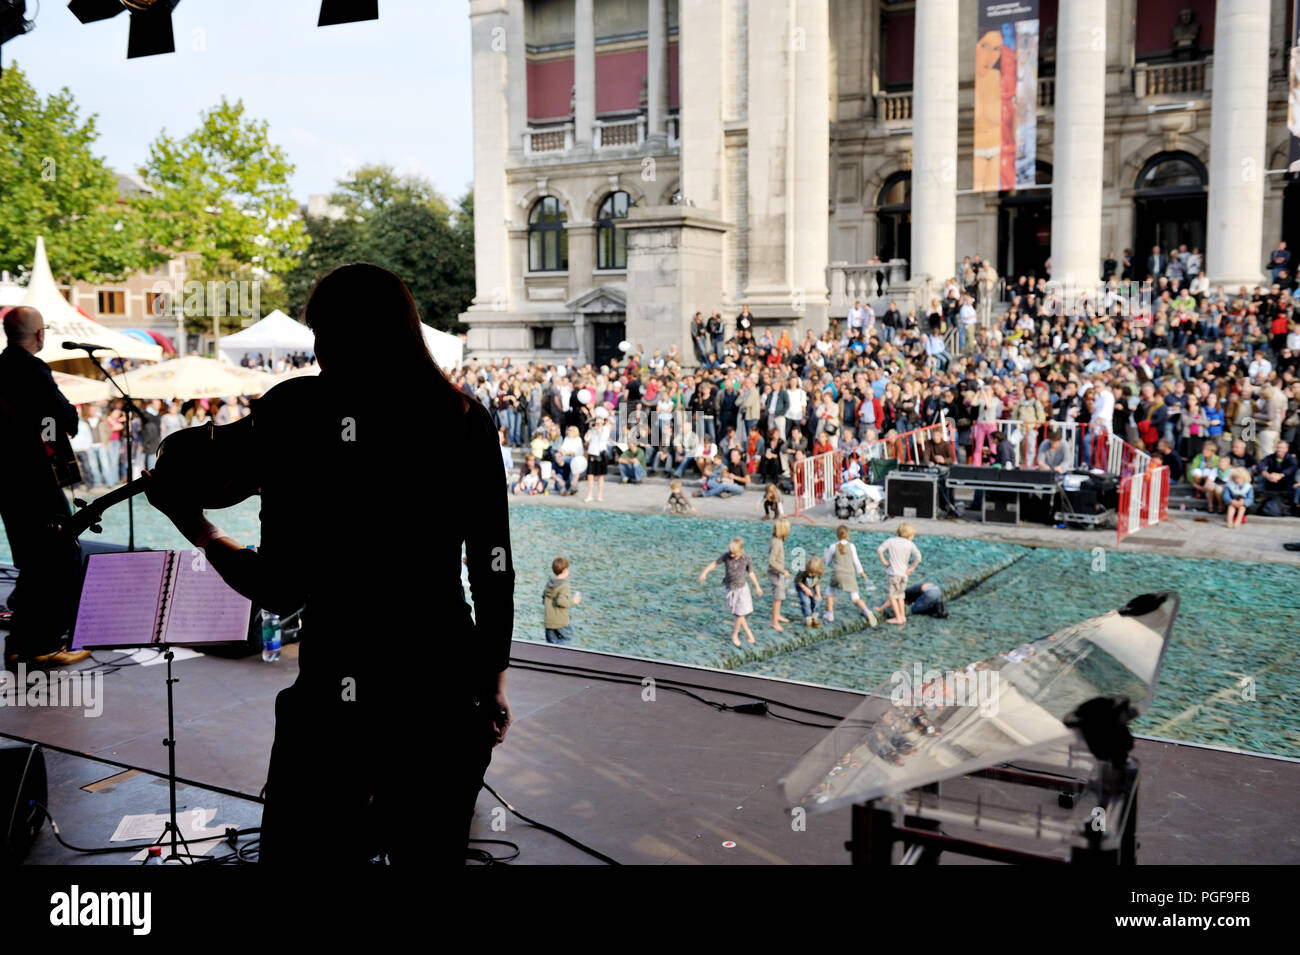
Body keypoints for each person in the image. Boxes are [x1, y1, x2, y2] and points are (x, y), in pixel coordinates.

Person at [144, 264, 514, 865]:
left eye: (322, 332)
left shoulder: (297, 413)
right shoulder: (465, 420)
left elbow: (278, 590)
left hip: (335, 700)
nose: (317, 349)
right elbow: (493, 567)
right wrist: (491, 676)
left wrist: (199, 527)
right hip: (444, 689)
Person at [0, 307, 91, 669]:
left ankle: (19, 647)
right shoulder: (32, 369)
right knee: (60, 556)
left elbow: (41, 422)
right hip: (36, 481)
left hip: (8, 481)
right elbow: (60, 419)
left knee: (33, 562)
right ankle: (45, 646)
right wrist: (53, 434)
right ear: (39, 335)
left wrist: (45, 431)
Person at [698, 537, 763, 648]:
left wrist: (757, 586)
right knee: (738, 613)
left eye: (734, 554)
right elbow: (714, 563)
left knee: (739, 613)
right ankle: (748, 633)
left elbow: (751, 573)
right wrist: (704, 573)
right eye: (731, 553)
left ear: (741, 550)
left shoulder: (746, 558)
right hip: (730, 589)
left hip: (742, 589)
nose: (732, 555)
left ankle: (735, 635)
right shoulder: (726, 556)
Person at [821, 525, 878, 626]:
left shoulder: (833, 547)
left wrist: (824, 559)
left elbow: (828, 562)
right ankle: (867, 611)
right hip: (849, 575)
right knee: (855, 598)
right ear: (847, 535)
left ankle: (830, 614)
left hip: (837, 574)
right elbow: (856, 561)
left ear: (837, 535)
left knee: (829, 592)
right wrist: (861, 572)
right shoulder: (851, 546)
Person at [875, 523, 922, 625]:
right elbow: (918, 557)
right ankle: (903, 617)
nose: (913, 537)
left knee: (892, 597)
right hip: (904, 575)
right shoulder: (910, 544)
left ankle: (897, 618)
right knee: (900, 596)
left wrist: (884, 562)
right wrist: (911, 568)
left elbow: (879, 550)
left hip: (893, 574)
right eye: (912, 535)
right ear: (908, 535)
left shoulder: (891, 541)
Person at [542, 556, 581, 645]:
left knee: (551, 645)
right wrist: (573, 601)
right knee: (568, 637)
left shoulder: (549, 583)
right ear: (565, 570)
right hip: (561, 622)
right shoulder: (564, 585)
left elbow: (544, 599)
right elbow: (560, 601)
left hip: (548, 621)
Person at [767, 518, 792, 633]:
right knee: (777, 598)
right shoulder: (777, 543)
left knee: (780, 596)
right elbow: (771, 561)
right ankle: (774, 622)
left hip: (776, 573)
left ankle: (778, 615)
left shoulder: (776, 539)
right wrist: (783, 571)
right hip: (775, 574)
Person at [795, 556, 825, 630]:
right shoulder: (803, 571)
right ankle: (807, 618)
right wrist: (805, 589)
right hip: (801, 586)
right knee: (806, 601)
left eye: (813, 573)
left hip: (812, 586)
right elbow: (797, 581)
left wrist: (818, 593)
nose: (811, 574)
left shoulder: (819, 573)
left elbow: (817, 583)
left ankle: (814, 616)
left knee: (817, 600)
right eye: (810, 572)